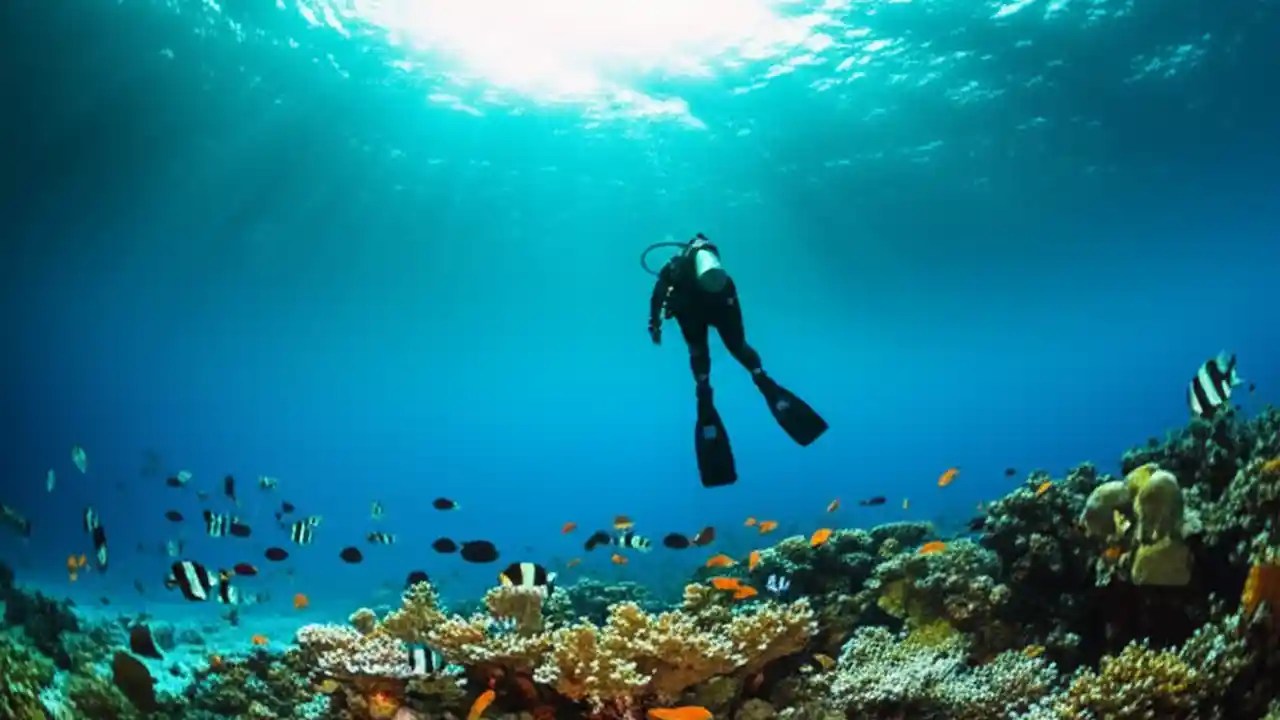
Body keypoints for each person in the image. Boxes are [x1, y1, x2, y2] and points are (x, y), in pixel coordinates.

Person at [646, 233, 827, 487]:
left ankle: (703, 386)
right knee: (738, 347)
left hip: (690, 311)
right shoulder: (714, 270)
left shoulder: (673, 265)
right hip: (722, 305)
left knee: (699, 353)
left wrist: (654, 324)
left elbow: (657, 296)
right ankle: (759, 375)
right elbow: (730, 295)